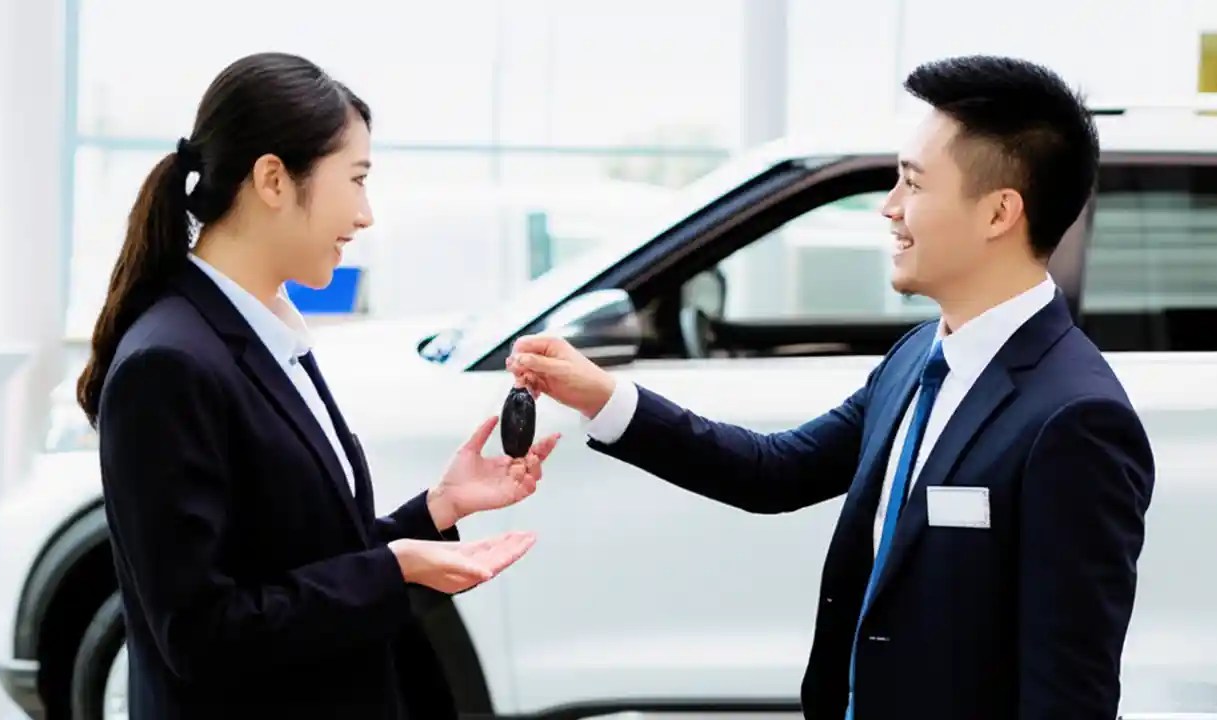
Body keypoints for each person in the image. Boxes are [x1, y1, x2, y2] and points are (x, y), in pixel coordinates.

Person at [507, 55, 1155, 719]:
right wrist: (600, 396)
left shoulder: (1076, 419)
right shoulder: (917, 358)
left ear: (998, 212)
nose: (890, 208)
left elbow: (1069, 696)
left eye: (913, 184)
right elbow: (775, 472)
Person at [75, 52, 558, 719]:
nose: (366, 215)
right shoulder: (170, 365)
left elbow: (304, 560)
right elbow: (202, 633)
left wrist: (437, 511)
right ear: (273, 179)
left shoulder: (267, 337)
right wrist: (395, 569)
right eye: (356, 179)